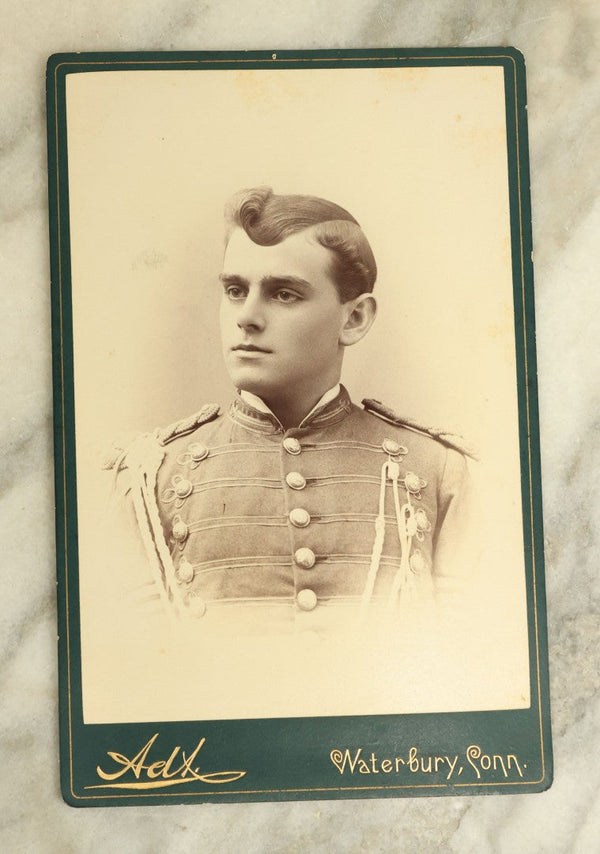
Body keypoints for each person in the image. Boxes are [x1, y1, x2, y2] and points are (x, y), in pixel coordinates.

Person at [104, 187, 476, 638]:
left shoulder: (436, 472)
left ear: (354, 319)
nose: (247, 317)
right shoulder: (150, 478)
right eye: (236, 290)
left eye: (283, 294)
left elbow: (468, 653)